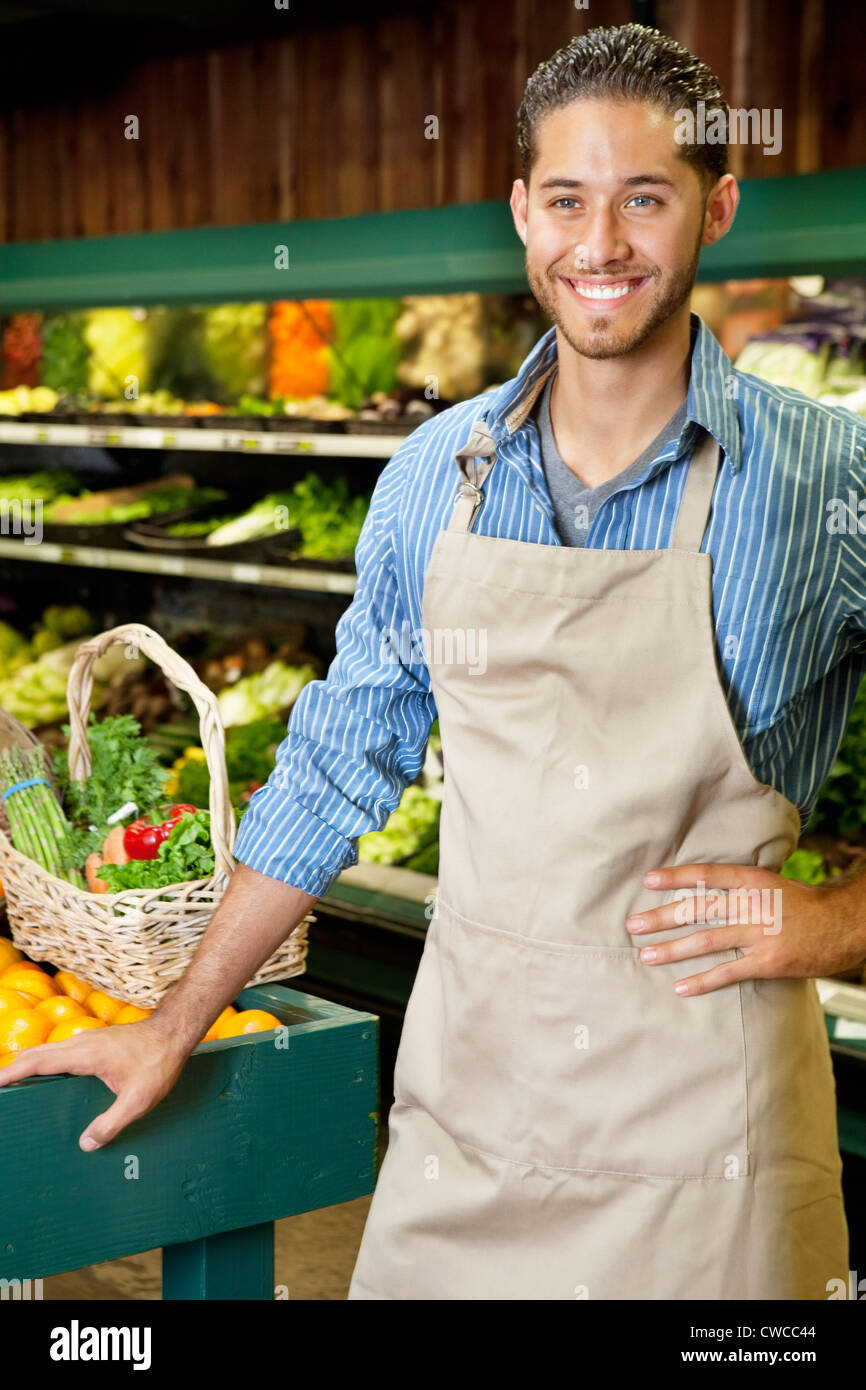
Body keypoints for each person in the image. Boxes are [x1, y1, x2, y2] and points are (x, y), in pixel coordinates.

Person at [2, 23, 865, 1300]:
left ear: (717, 206)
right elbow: (334, 769)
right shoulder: (434, 477)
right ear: (522, 214)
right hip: (471, 1121)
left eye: (646, 197)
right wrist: (171, 1021)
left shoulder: (824, 479)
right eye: (566, 199)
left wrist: (834, 924)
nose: (602, 244)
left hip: (708, 1140)